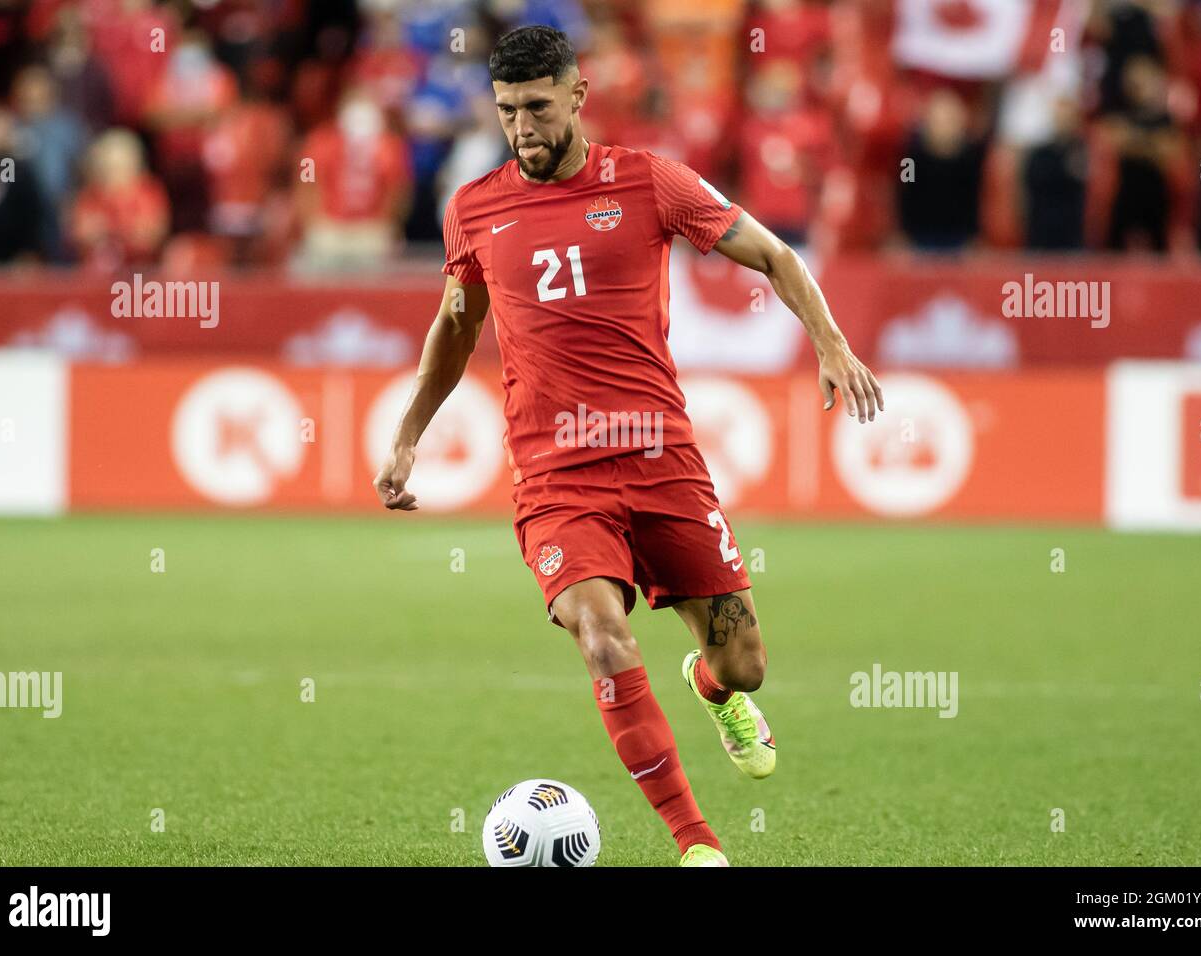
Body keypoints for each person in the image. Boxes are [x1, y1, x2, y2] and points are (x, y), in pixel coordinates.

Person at [372, 25, 882, 867]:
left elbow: (775, 254)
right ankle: (697, 845)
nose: (523, 127)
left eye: (537, 107)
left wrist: (830, 342)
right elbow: (456, 329)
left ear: (577, 96)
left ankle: (711, 688)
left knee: (747, 664)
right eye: (506, 112)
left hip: (662, 463)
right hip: (557, 479)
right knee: (604, 639)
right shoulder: (473, 208)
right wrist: (406, 436)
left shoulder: (649, 182)